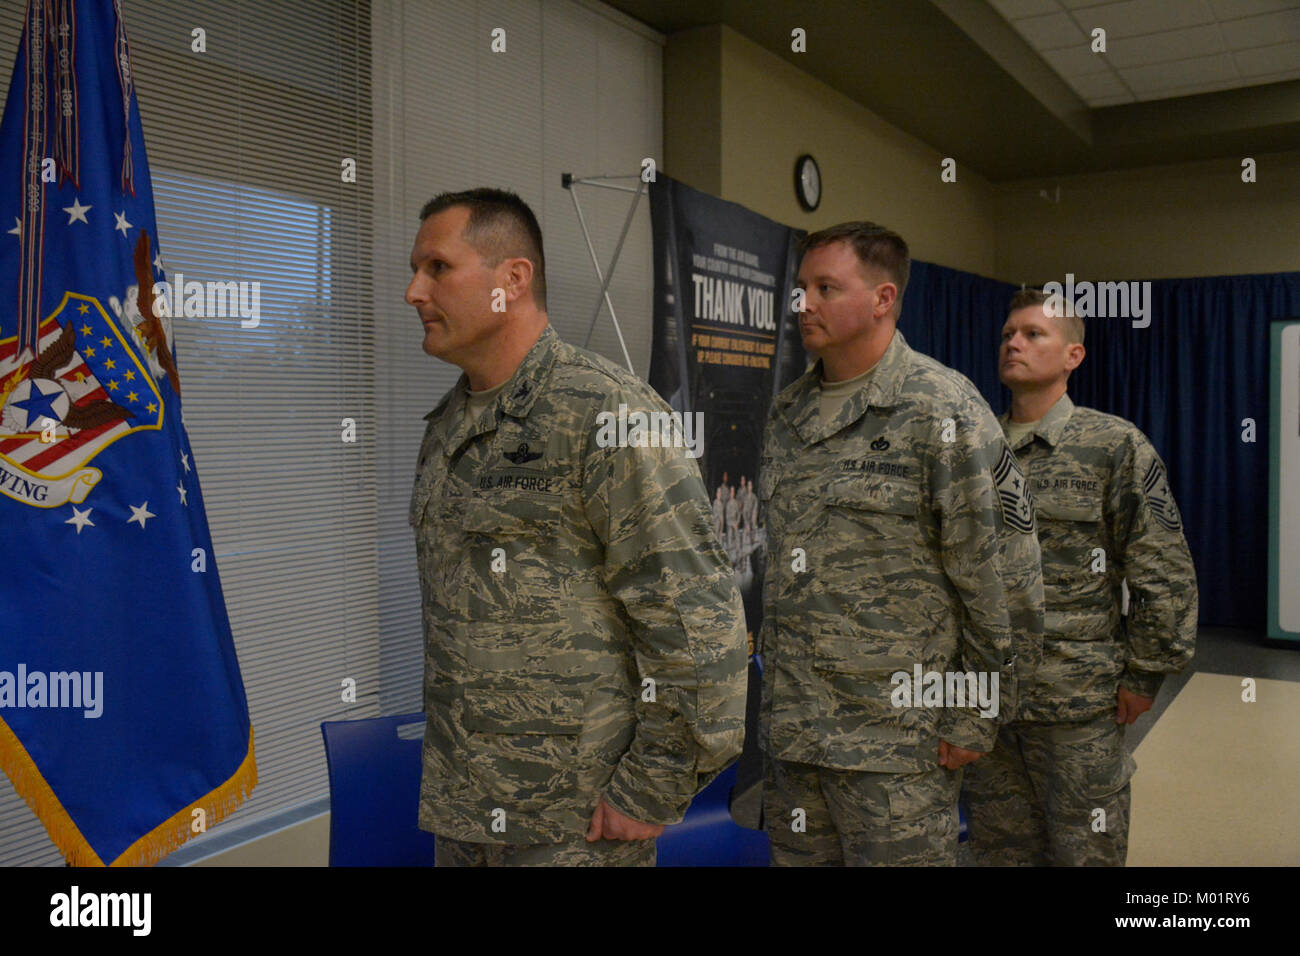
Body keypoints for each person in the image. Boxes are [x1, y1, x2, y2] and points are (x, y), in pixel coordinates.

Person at [406, 187, 748, 866]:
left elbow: (700, 627)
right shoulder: (447, 429)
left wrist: (649, 791)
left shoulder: (609, 414)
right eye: (414, 271)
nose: (415, 292)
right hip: (466, 815)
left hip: (575, 829)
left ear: (513, 279)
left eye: (436, 268)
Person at [757, 221, 1043, 866]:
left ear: (883, 298)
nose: (804, 303)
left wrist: (977, 710)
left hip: (897, 745)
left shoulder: (940, 407)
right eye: (801, 287)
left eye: (827, 287)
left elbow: (1006, 573)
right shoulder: (788, 412)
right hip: (796, 735)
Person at [962, 288, 1198, 866]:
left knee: (1084, 853)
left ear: (1073, 356)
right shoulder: (971, 449)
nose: (1013, 342)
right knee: (1000, 854)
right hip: (987, 707)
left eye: (1033, 333)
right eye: (1007, 333)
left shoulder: (1113, 446)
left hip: (1076, 706)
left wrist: (1144, 675)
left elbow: (1163, 572)